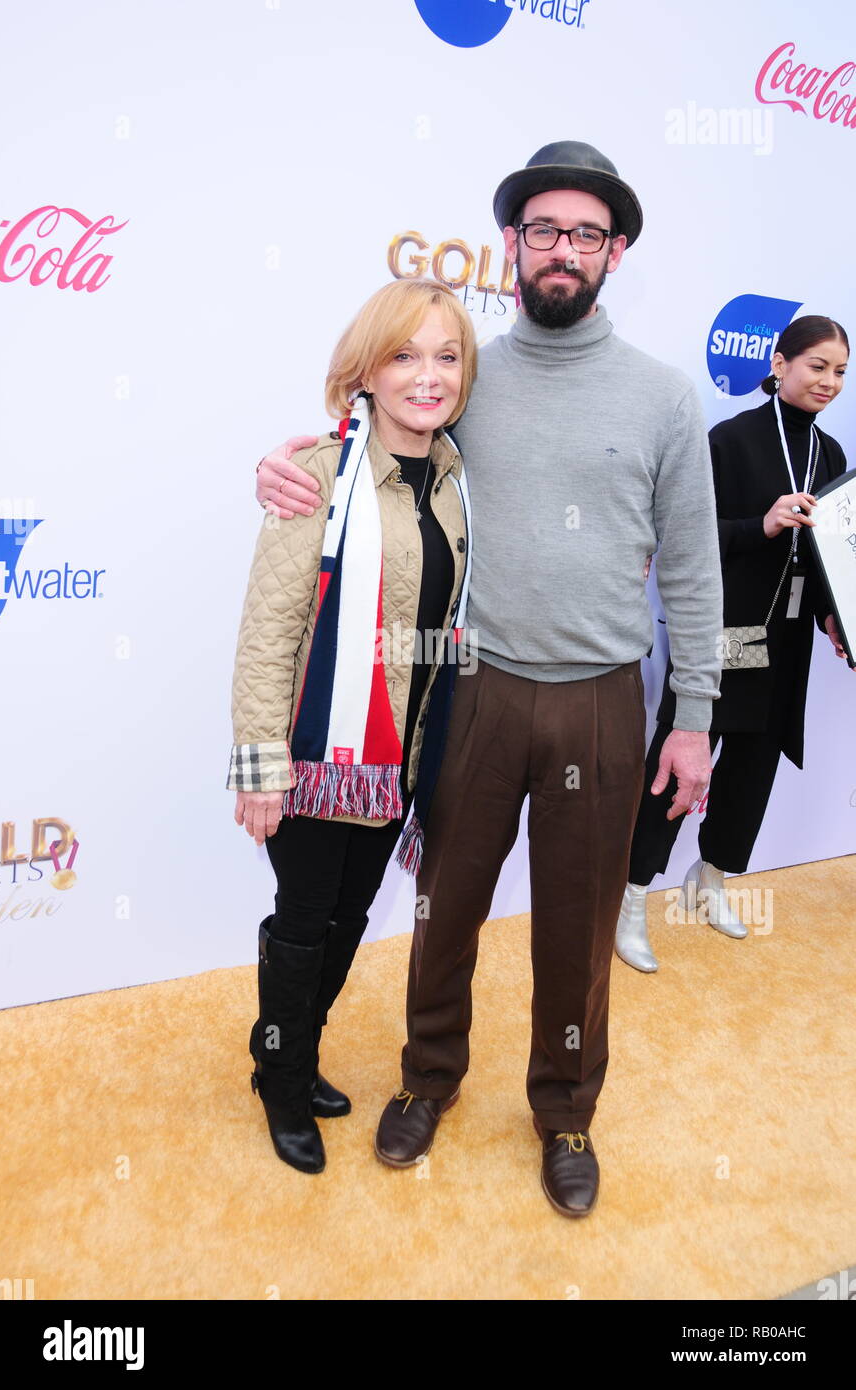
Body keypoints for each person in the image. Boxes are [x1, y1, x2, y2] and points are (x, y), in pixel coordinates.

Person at [255, 141, 723, 1216]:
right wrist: (280, 467)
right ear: (512, 245)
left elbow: (692, 568)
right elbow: (364, 446)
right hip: (469, 690)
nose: (563, 250)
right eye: (544, 230)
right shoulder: (462, 374)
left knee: (574, 921)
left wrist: (692, 715)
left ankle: (563, 1111)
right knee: (443, 905)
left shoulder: (662, 397)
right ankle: (427, 1079)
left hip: (604, 701)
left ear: (616, 253)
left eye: (586, 234)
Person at [229, 278, 475, 1174]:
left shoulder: (455, 481)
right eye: (404, 354)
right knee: (303, 922)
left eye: (446, 356)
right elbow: (270, 628)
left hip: (403, 757)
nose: (427, 375)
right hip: (318, 756)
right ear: (363, 371)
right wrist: (260, 768)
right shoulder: (319, 477)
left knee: (347, 919)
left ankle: (293, 1049)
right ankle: (281, 1078)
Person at [616, 316, 850, 972]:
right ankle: (631, 899)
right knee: (677, 769)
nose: (828, 382)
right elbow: (684, 540)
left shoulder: (830, 455)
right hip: (725, 637)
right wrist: (762, 524)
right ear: (778, 363)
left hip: (788, 642)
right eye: (816, 366)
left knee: (753, 767)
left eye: (839, 371)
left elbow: (829, 556)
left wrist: (834, 618)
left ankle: (709, 880)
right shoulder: (728, 440)